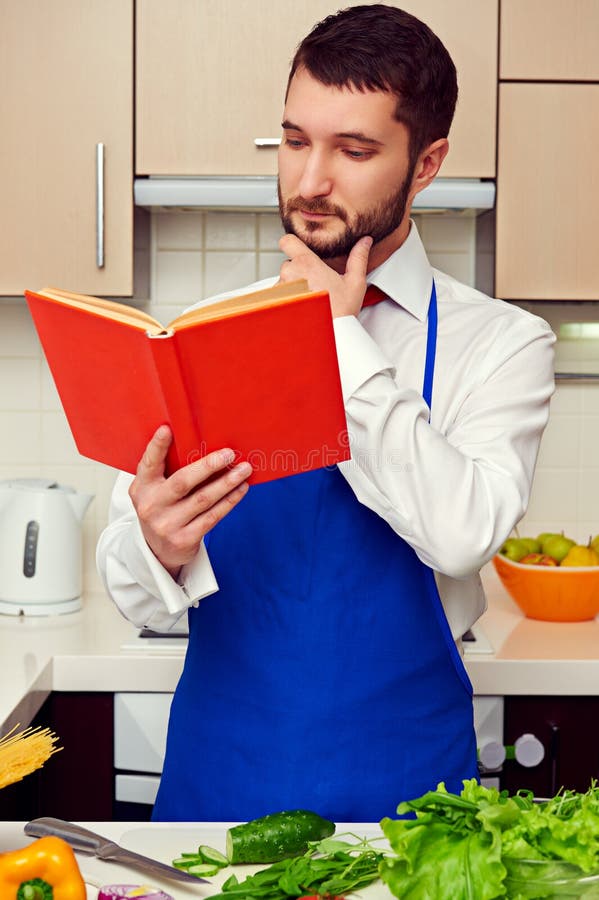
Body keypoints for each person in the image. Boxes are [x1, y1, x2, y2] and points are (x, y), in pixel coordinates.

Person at [98, 4, 555, 822]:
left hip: (411, 807)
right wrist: (155, 546)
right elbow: (127, 585)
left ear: (425, 164)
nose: (308, 182)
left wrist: (335, 333)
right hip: (218, 783)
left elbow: (461, 532)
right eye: (295, 140)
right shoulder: (202, 335)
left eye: (353, 150)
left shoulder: (501, 344)